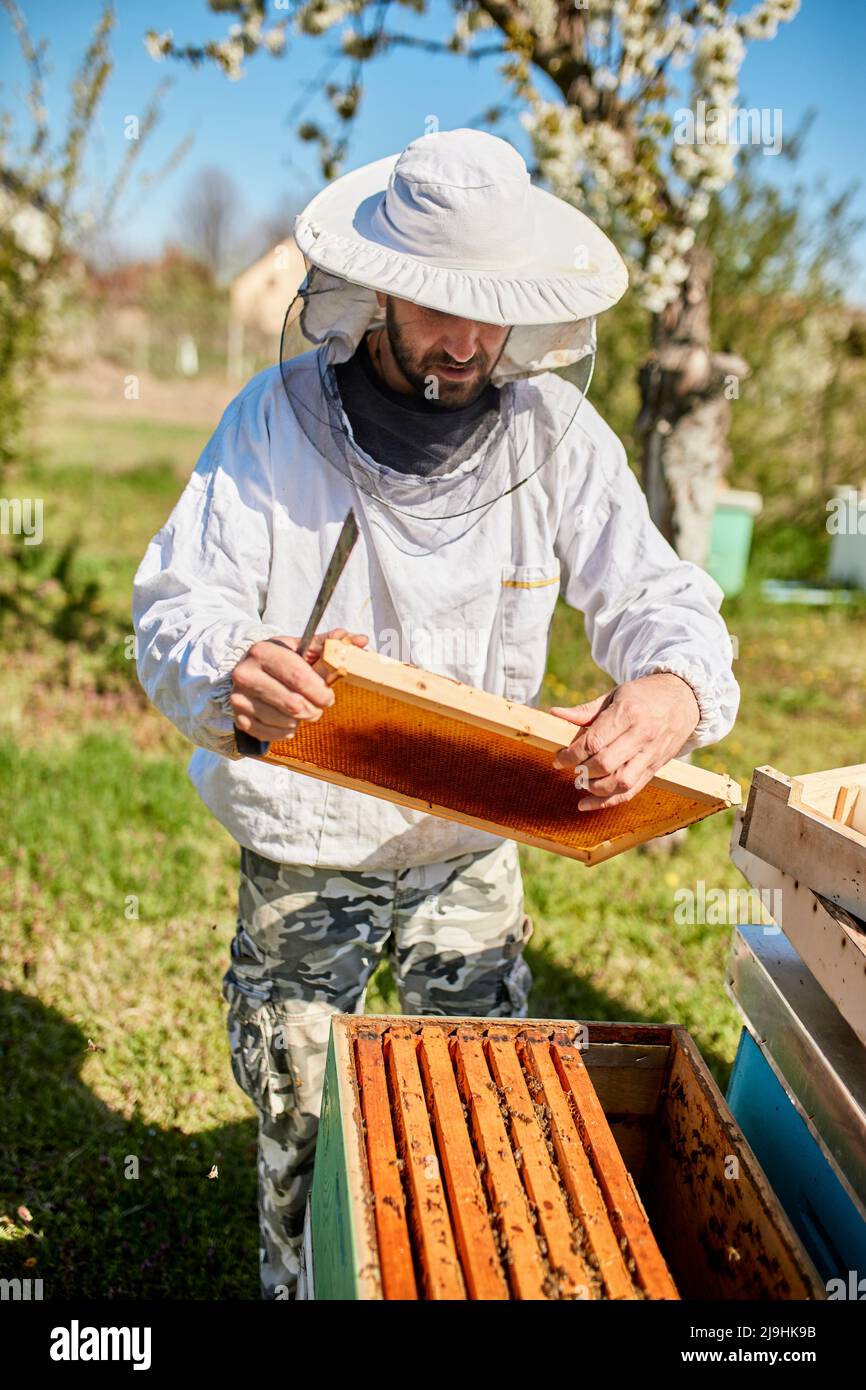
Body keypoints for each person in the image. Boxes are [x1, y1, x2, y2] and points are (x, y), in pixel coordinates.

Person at [132, 128, 739, 1298]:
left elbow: (663, 598)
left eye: (487, 314)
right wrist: (229, 668)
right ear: (377, 292)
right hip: (305, 835)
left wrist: (668, 687)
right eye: (434, 311)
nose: (462, 345)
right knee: (300, 1118)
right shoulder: (271, 422)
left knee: (482, 1106)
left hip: (469, 844)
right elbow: (175, 607)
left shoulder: (554, 435)